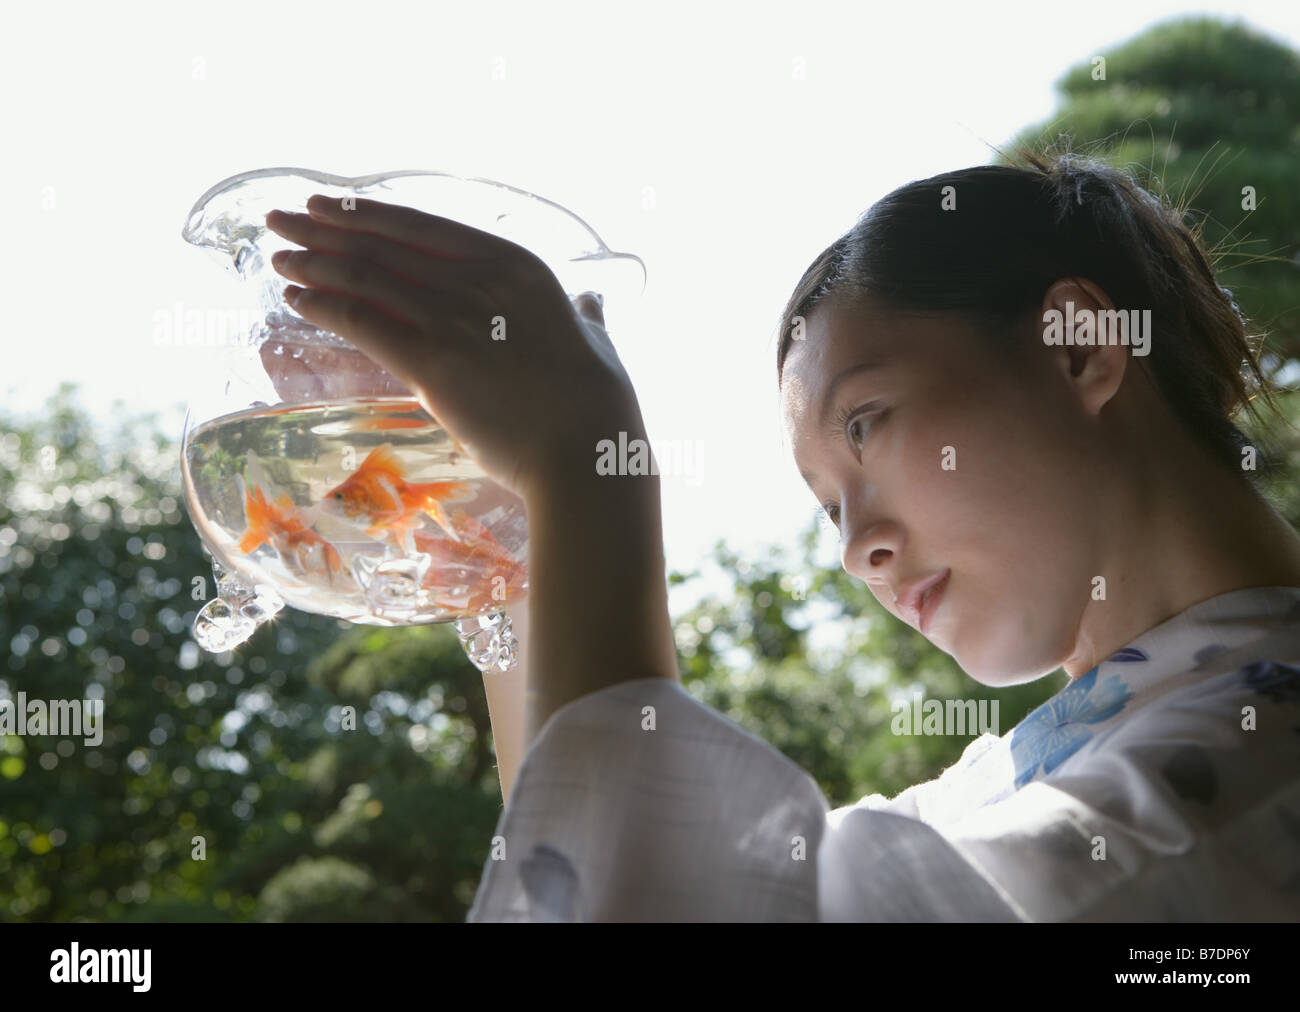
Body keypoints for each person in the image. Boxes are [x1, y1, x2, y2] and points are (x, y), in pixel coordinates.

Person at [261, 150, 1300, 921]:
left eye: (865, 424)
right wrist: (528, 564)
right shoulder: (1076, 762)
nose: (856, 548)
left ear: (1079, 348)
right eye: (826, 506)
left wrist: (584, 462)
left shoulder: (1243, 782)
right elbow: (590, 876)